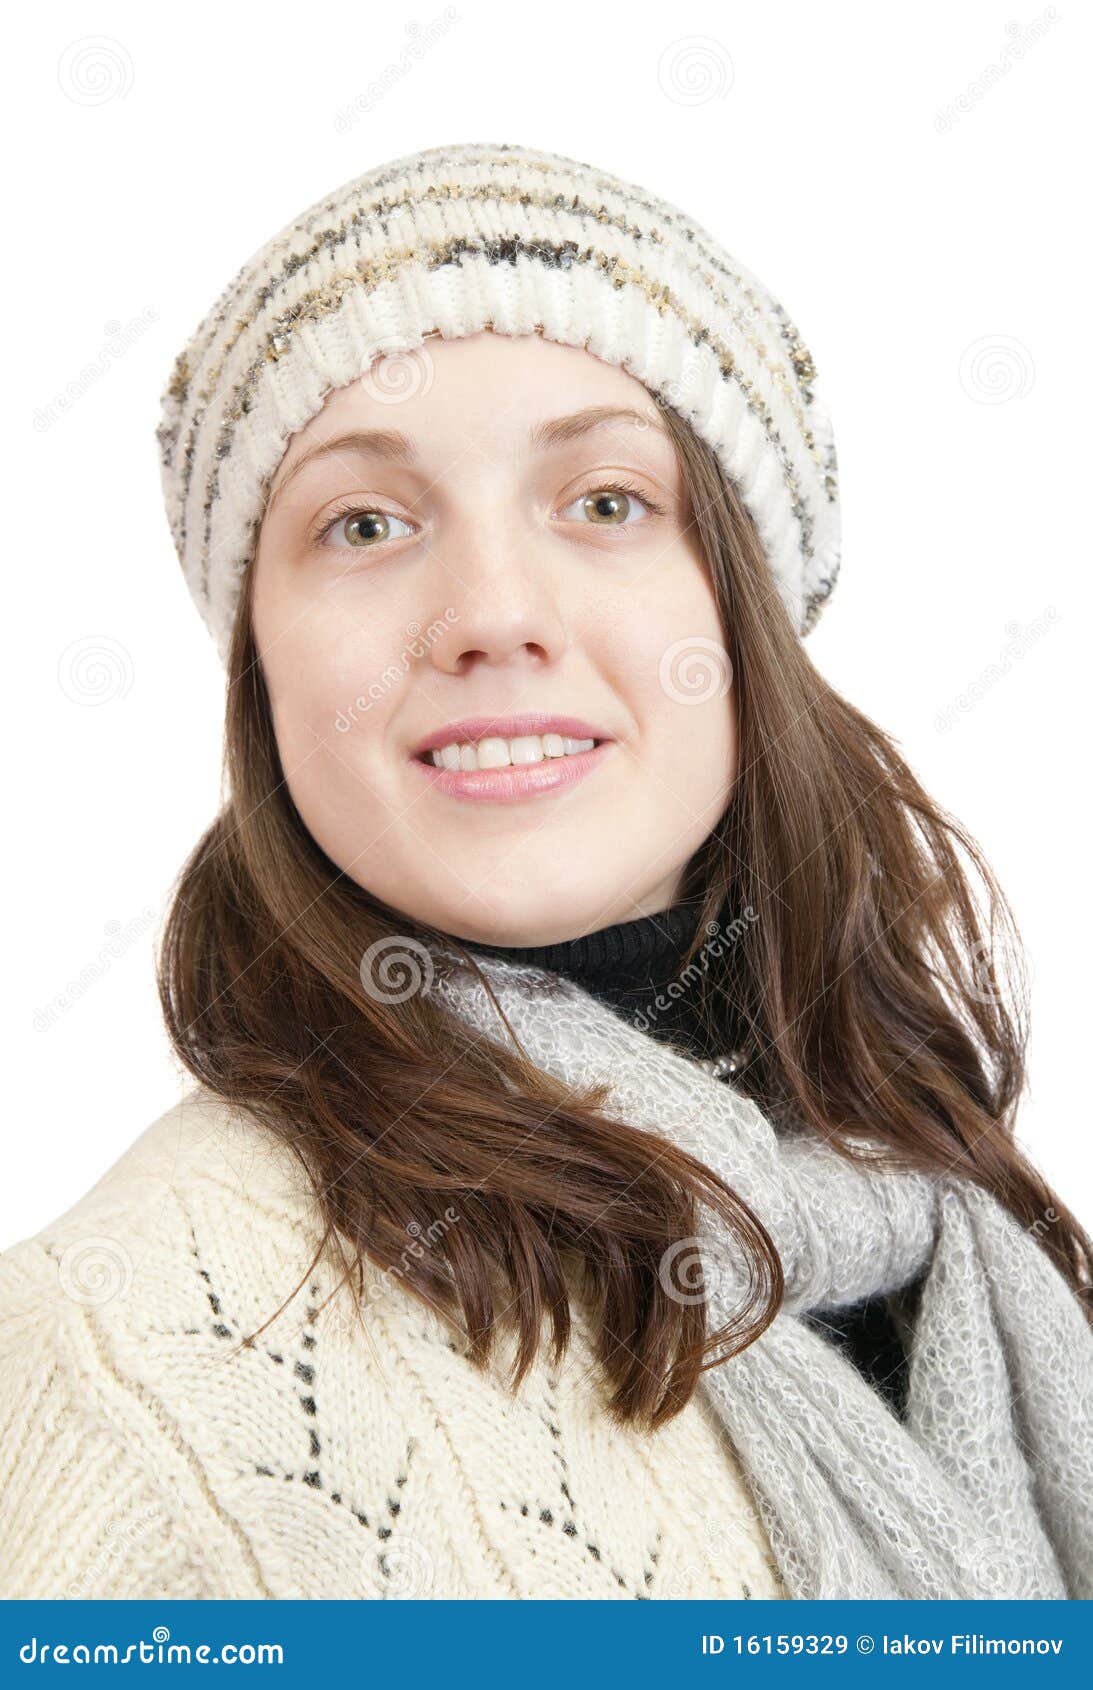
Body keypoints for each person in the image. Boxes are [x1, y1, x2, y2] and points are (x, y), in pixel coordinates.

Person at [2, 140, 1091, 1601]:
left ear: (740, 611)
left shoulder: (941, 1199)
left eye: (603, 501)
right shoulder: (121, 1351)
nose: (492, 614)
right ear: (259, 664)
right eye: (365, 524)